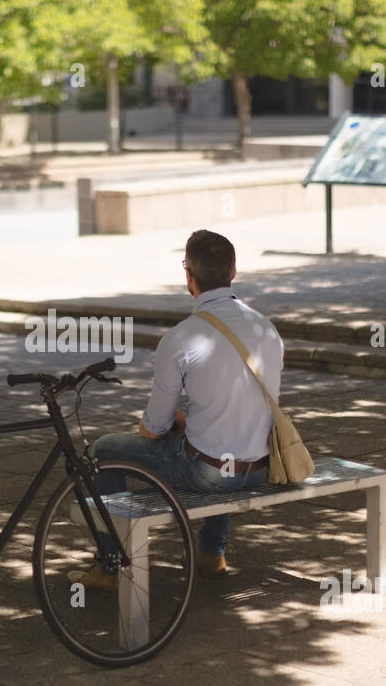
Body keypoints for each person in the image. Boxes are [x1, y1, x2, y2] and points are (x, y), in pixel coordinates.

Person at [71, 229, 283, 591]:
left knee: (104, 449)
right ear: (233, 271)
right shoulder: (266, 329)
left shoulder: (181, 338)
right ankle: (211, 553)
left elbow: (153, 429)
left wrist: (167, 425)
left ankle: (111, 564)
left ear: (189, 276)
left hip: (210, 473)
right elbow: (243, 406)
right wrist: (190, 421)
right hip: (262, 467)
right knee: (218, 443)